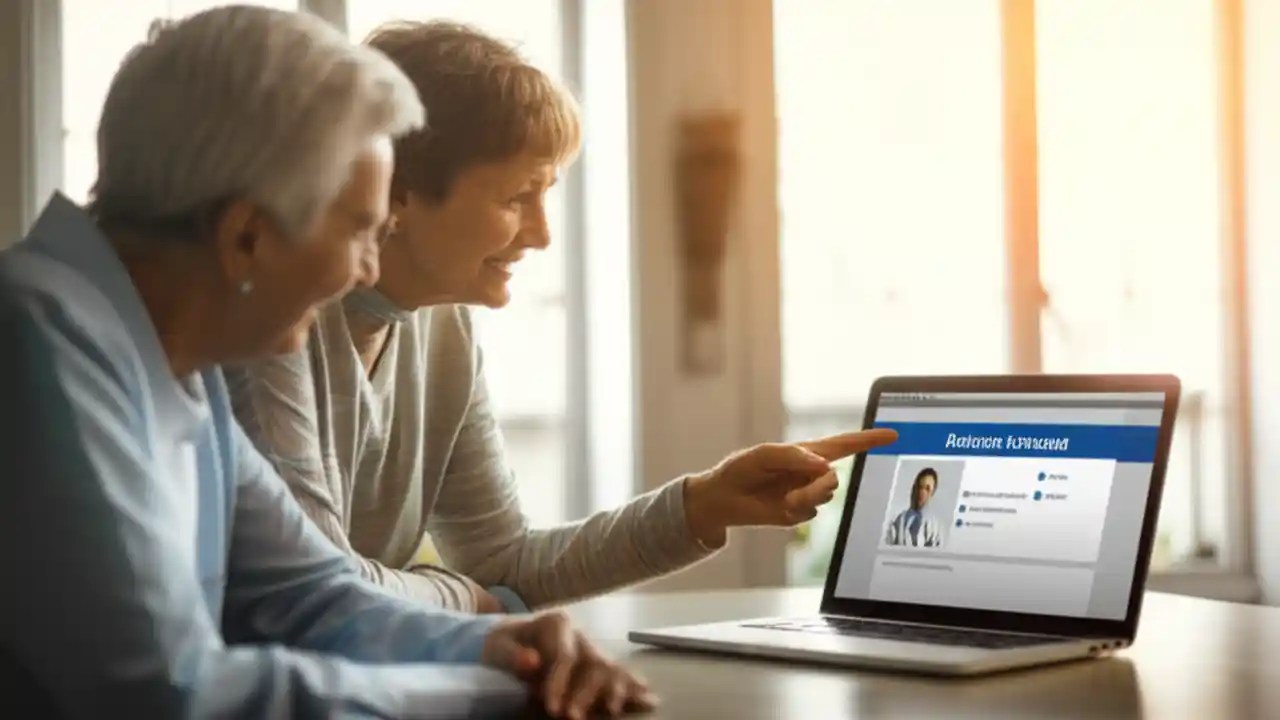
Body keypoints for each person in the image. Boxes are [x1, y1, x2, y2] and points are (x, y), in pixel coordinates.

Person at [0, 8, 652, 719]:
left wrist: (506, 646)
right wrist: (490, 691)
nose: (368, 270)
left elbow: (308, 594)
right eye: (359, 232)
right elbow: (163, 691)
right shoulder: (38, 341)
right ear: (246, 237)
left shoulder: (170, 357)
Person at [228, 20, 899, 615]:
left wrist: (703, 504)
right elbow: (314, 590)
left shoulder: (445, 330)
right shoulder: (278, 319)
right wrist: (468, 599)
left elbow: (502, 563)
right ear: (397, 189)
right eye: (519, 197)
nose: (543, 234)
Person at [885, 468, 944, 548]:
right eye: (920, 487)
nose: (922, 492)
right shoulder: (897, 520)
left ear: (932, 493)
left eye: (927, 489)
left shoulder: (934, 527)